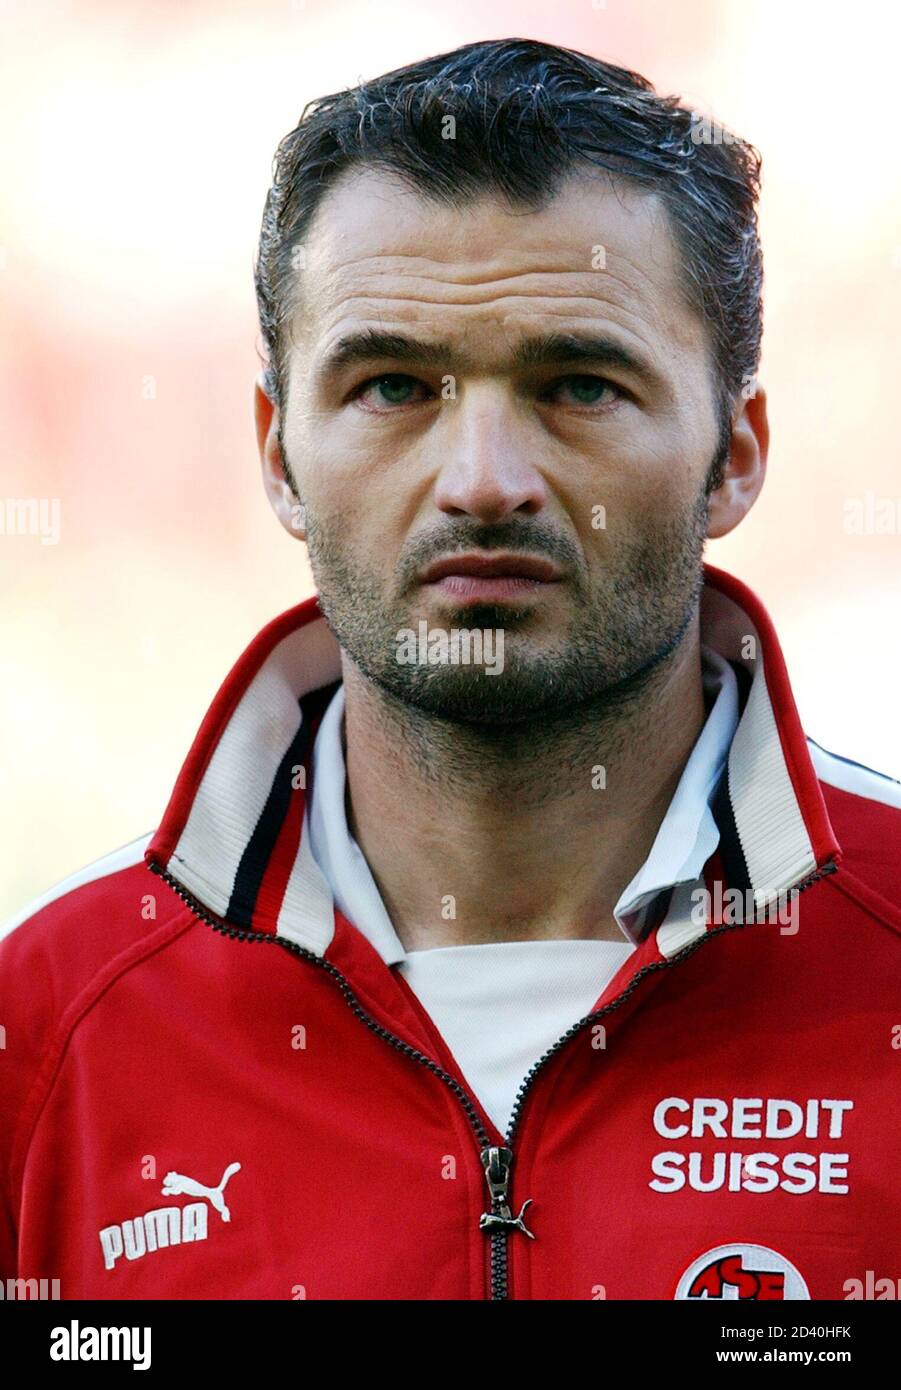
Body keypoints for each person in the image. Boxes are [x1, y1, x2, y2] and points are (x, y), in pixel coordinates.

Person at [2, 37, 899, 1302]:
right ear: (276, 451)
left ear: (735, 455)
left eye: (578, 384)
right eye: (392, 386)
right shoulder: (47, 1027)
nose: (482, 479)